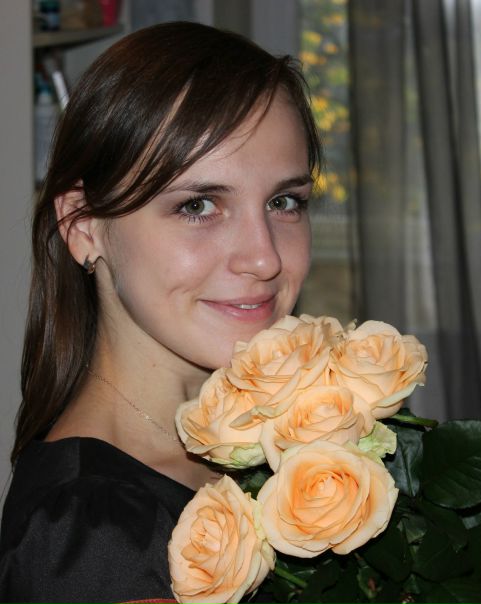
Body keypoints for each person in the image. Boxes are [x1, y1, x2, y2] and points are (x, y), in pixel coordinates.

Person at [0, 20, 321, 603]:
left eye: (284, 201)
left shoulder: (285, 446)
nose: (265, 257)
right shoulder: (96, 539)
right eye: (198, 205)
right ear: (84, 227)